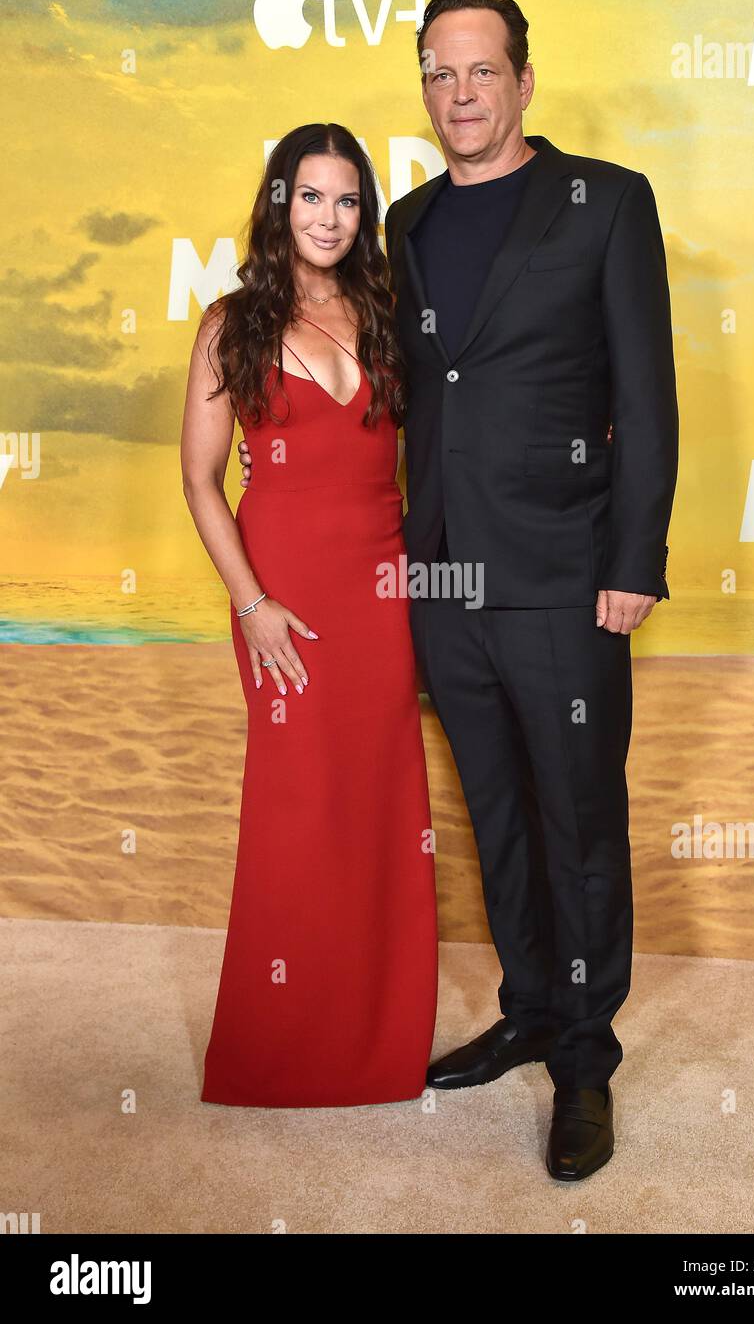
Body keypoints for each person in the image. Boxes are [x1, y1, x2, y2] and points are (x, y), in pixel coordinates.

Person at [240, 0, 679, 1180]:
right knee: (494, 816)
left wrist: (634, 563)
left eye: (482, 70)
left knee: (578, 821)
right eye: (439, 72)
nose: (461, 92)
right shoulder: (412, 224)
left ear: (523, 81)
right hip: (437, 579)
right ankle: (532, 1004)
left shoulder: (605, 203)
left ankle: (584, 1060)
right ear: (424, 87)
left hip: (565, 577)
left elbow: (644, 398)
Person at [181, 123, 437, 1108]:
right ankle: (278, 1047)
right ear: (279, 202)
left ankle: (378, 1045)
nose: (327, 218)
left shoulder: (384, 311)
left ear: (361, 212)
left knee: (381, 812)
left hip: (383, 594)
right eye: (310, 197)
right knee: (297, 817)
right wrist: (251, 604)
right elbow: (202, 479)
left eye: (345, 200)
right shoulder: (230, 323)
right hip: (281, 598)